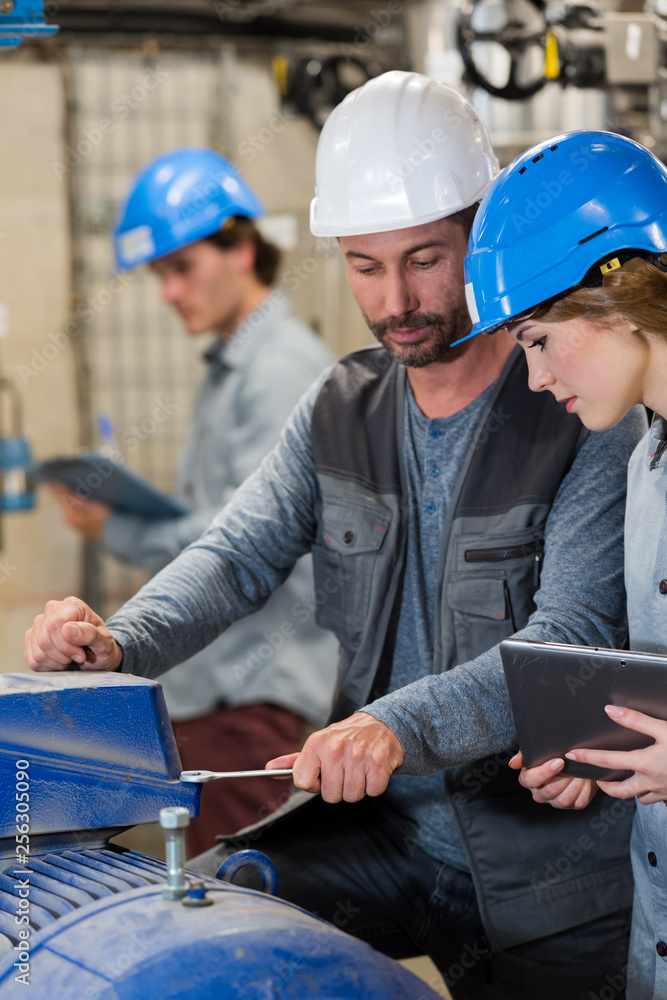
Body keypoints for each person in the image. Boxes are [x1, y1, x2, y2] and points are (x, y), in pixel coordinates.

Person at [25, 76, 646, 1000]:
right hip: (375, 829)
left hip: (544, 874)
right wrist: (120, 639)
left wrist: (395, 724)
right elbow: (233, 558)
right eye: (363, 265)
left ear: (482, 230)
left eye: (426, 258)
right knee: (197, 933)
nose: (396, 299)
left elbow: (564, 637)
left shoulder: (583, 410)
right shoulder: (336, 410)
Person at [48, 147, 337, 855]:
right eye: (160, 275)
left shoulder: (278, 370)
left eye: (182, 268)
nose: (170, 292)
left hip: (255, 698)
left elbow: (236, 544)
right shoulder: (233, 367)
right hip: (221, 691)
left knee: (242, 907)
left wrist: (116, 529)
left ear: (241, 248)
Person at [462, 127, 667, 1000]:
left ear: (616, 294)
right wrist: (607, 754)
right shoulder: (644, 465)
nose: (535, 378)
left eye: (540, 339)